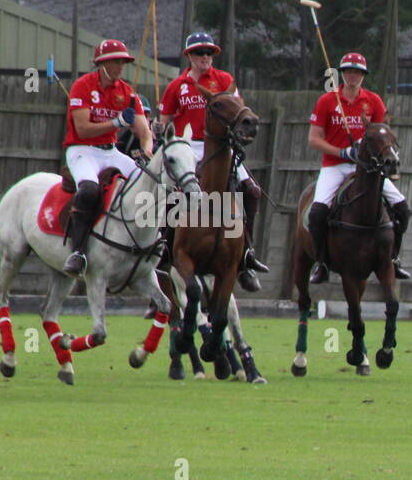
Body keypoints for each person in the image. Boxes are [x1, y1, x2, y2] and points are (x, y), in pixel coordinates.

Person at [158, 31, 270, 292]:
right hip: (188, 147)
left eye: (209, 53)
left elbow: (239, 111)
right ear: (189, 56)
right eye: (199, 53)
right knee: (173, 195)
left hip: (220, 146)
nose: (205, 57)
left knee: (252, 191)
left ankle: (246, 255)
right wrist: (157, 129)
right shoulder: (177, 86)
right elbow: (165, 122)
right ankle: (164, 250)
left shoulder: (225, 81)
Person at [305, 52, 411, 284]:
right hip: (334, 166)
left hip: (367, 168)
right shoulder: (327, 101)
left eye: (358, 72)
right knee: (317, 212)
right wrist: (341, 152)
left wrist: (373, 152)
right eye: (349, 71)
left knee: (402, 207)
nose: (353, 76)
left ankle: (394, 259)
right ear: (342, 74)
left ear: (363, 76)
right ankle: (322, 263)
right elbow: (313, 139)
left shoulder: (373, 101)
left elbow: (382, 133)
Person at [61, 40, 153, 276]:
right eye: (115, 61)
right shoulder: (82, 86)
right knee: (90, 190)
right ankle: (78, 252)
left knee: (151, 184)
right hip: (82, 150)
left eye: (123, 61)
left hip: (111, 151)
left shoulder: (127, 92)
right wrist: (116, 123)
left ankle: (153, 246)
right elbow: (82, 128)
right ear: (101, 64)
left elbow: (144, 131)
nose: (121, 66)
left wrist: (146, 149)